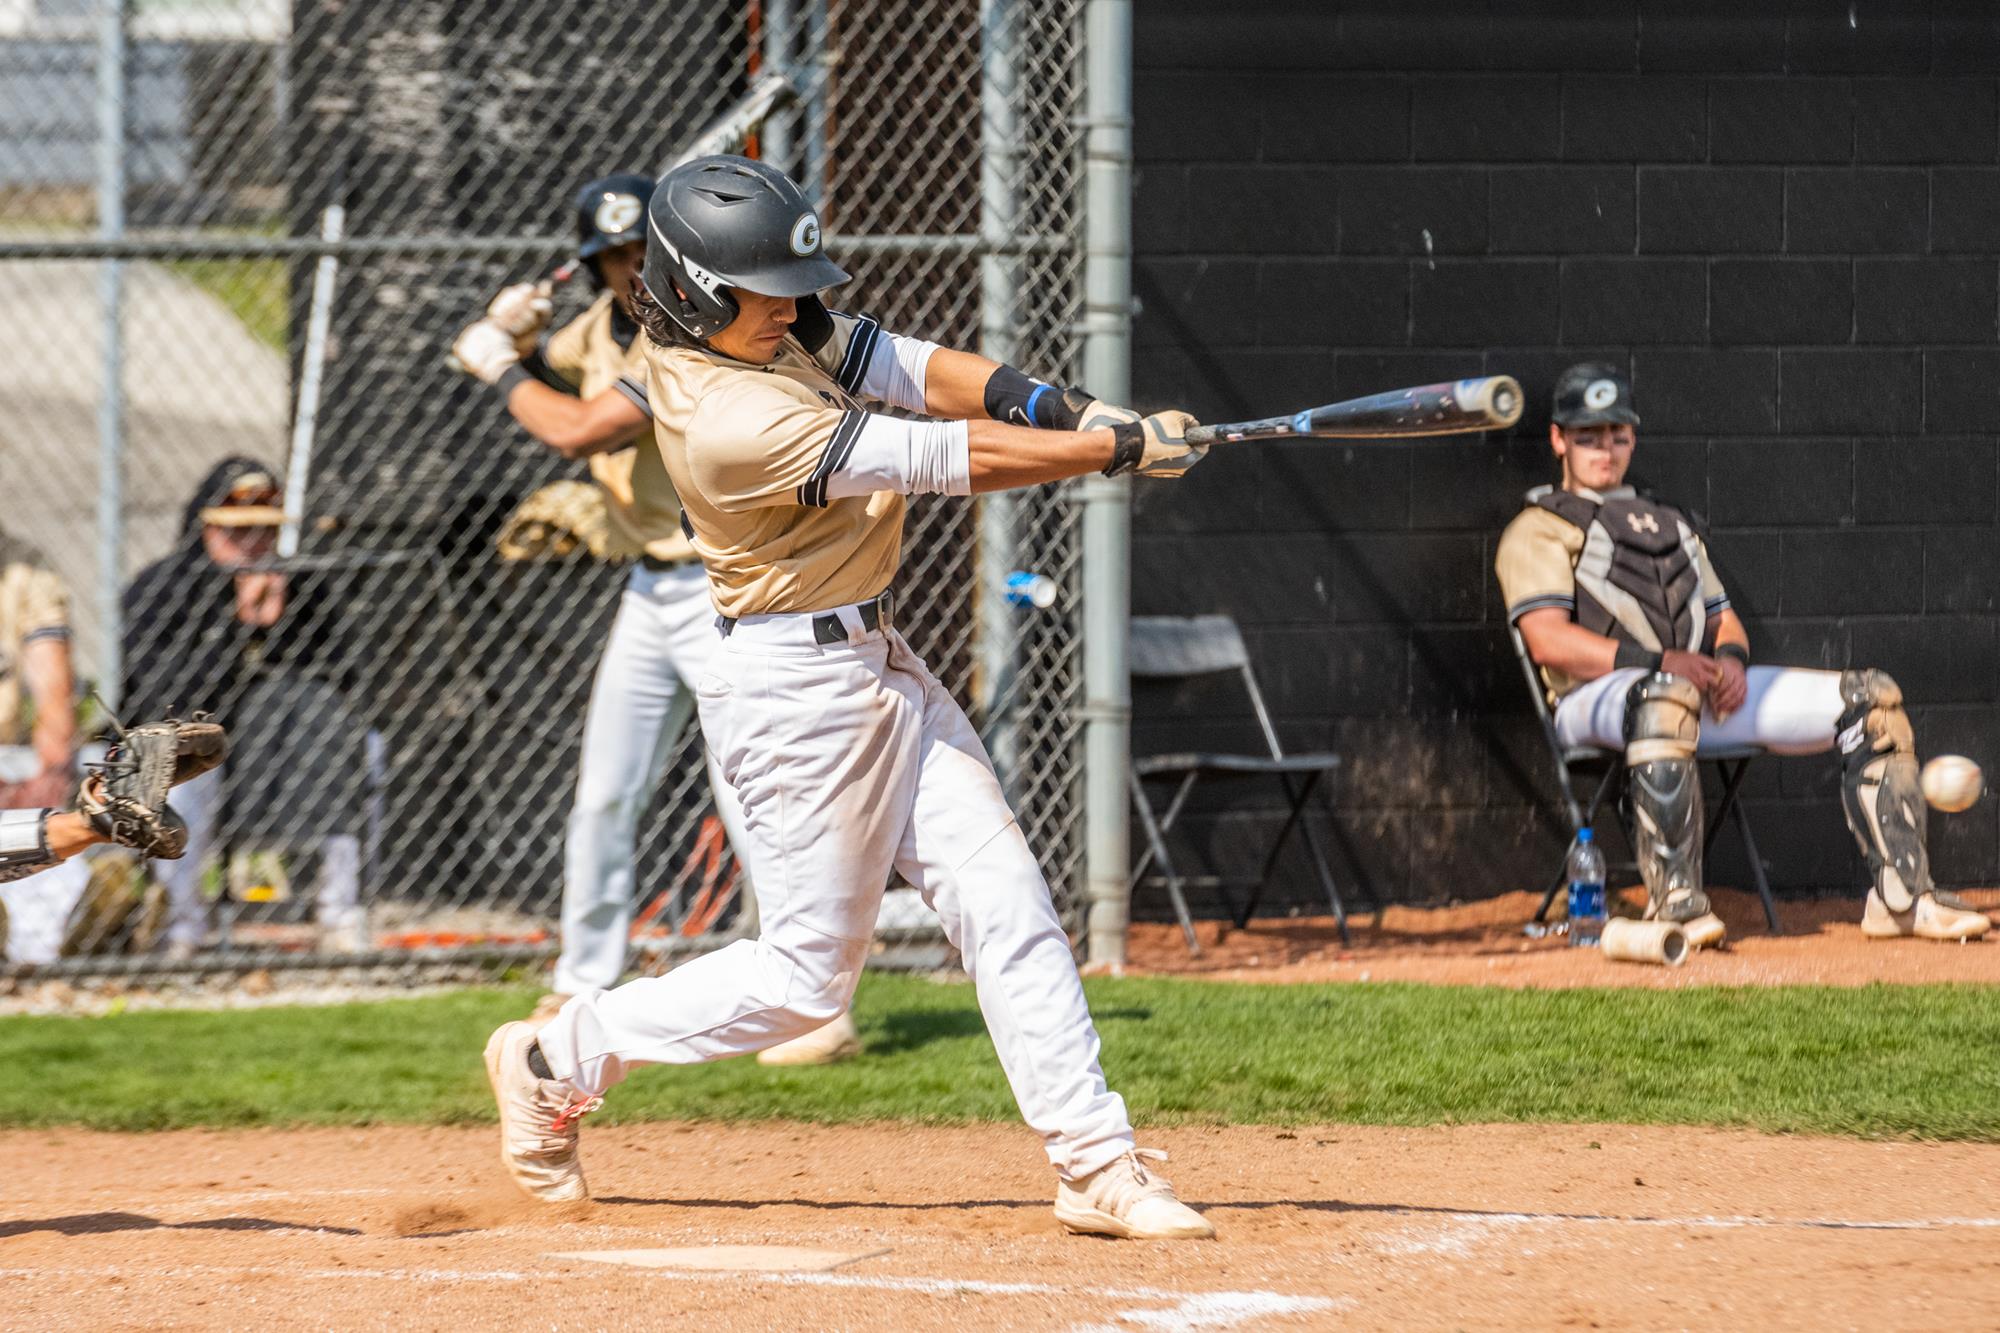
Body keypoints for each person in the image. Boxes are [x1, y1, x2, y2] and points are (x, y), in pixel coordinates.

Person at [481, 155, 1213, 1240]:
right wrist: (1106, 449)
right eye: (760, 289)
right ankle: (554, 1053)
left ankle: (1093, 1161)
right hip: (794, 693)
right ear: (687, 290)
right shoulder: (727, 417)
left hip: (876, 657)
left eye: (789, 285)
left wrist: (1063, 404)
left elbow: (910, 366)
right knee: (805, 983)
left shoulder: (764, 324)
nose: (787, 307)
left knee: (1006, 902)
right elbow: (941, 456)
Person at [452, 172, 858, 1065]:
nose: (631, 273)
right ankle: (584, 979)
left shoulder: (684, 344)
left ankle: (810, 1000)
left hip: (725, 589)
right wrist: (514, 328)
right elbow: (558, 364)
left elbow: (577, 430)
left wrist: (498, 362)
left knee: (744, 795)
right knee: (605, 790)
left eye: (645, 255)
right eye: (614, 259)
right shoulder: (599, 329)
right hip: (647, 589)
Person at [1497, 363, 1992, 947]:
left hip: (1688, 691)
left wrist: (1729, 661)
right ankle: (1675, 904)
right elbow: (1548, 640)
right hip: (1594, 698)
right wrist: (1661, 664)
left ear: (1633, 439)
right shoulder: (1538, 526)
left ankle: (1903, 898)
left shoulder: (1670, 523)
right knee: (1664, 697)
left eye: (1617, 435)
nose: (1605, 449)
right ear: (1559, 439)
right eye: (1588, 436)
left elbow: (1722, 619)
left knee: (1871, 699)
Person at [123, 460, 363, 953]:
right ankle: (178, 927)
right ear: (205, 527)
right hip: (183, 740)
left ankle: (340, 915)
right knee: (185, 763)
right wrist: (239, 623)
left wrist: (275, 626)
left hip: (273, 743)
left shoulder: (303, 588)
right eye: (237, 532)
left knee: (363, 746)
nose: (252, 543)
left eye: (262, 532)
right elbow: (164, 692)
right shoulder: (164, 588)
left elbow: (339, 677)